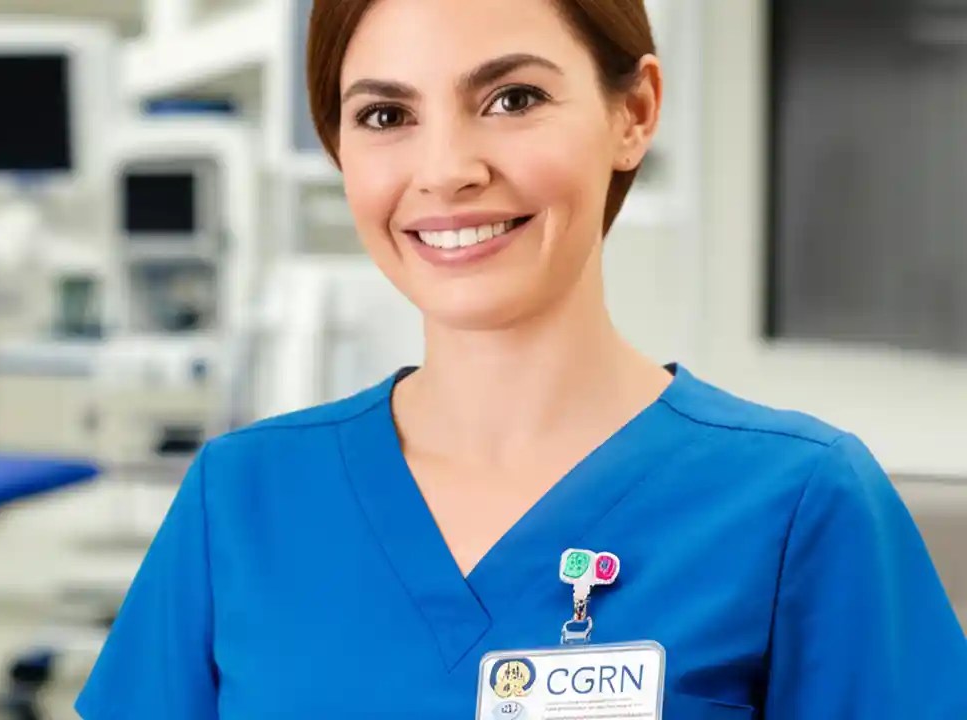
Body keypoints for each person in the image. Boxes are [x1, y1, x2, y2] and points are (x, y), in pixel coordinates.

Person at [76, 0, 967, 717]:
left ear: (635, 113)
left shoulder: (798, 503)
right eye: (386, 115)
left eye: (512, 99)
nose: (447, 169)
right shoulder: (241, 498)